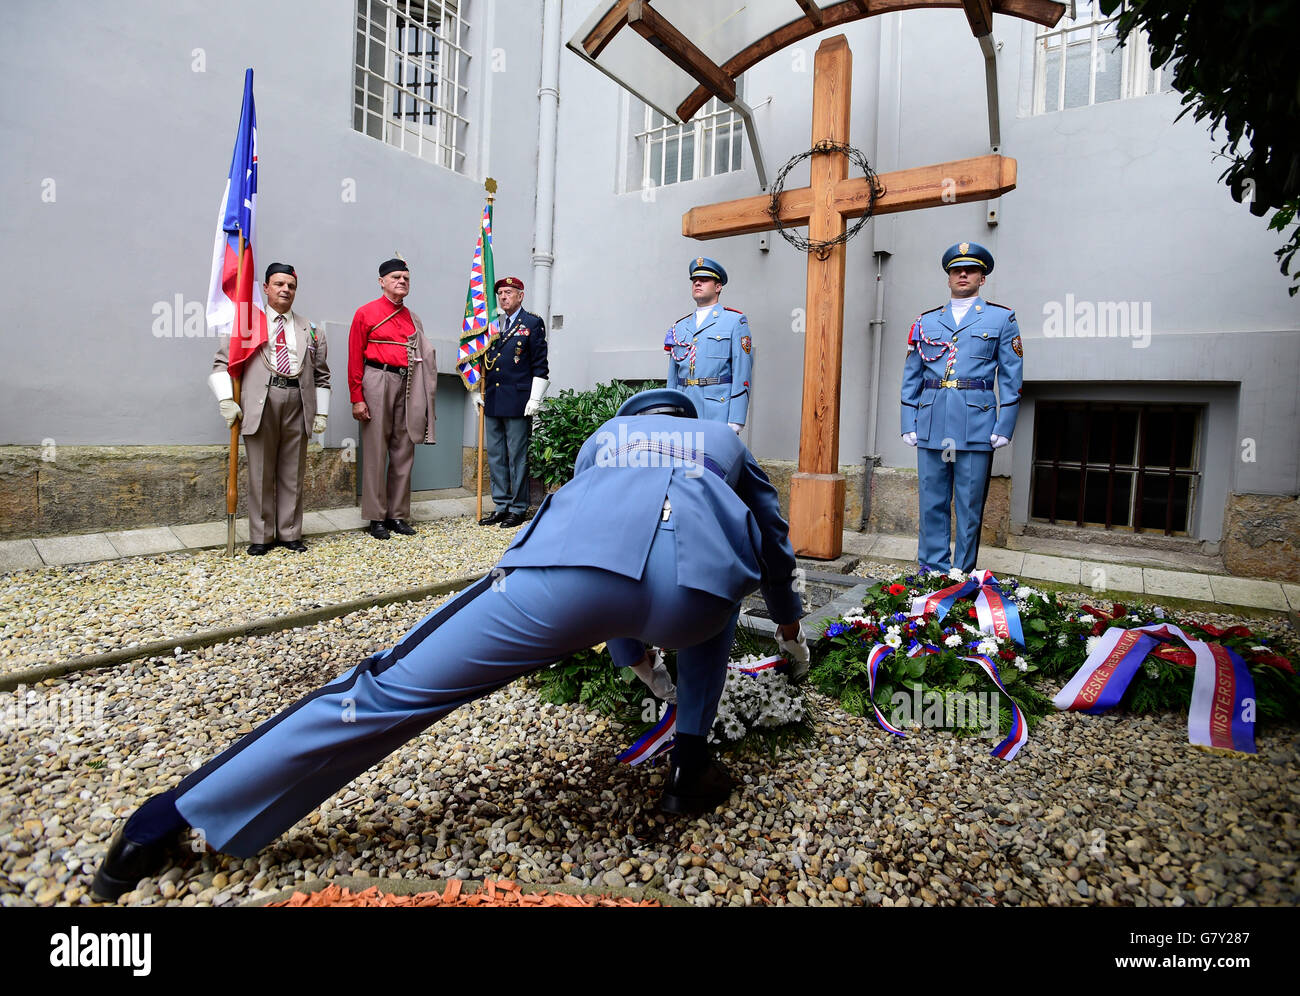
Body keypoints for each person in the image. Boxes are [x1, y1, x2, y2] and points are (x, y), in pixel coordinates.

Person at [91, 388, 809, 901]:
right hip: (695, 602)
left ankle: (161, 822)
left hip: (567, 581)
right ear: (690, 420)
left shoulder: (604, 441)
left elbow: (614, 548)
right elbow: (771, 542)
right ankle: (690, 762)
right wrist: (785, 625)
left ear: (629, 420)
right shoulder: (724, 441)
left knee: (385, 687)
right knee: (714, 589)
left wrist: (629, 653)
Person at [899, 241, 1023, 573]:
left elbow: (1011, 375)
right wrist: (907, 419)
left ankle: (961, 575)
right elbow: (913, 373)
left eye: (971, 270)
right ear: (949, 276)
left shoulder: (1001, 318)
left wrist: (1004, 424)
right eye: (957, 270)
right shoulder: (926, 322)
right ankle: (932, 572)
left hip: (976, 423)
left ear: (982, 277)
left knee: (969, 505)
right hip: (931, 420)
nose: (963, 274)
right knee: (932, 502)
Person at [210, 262, 330, 555]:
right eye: (278, 284)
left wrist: (322, 412)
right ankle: (261, 536)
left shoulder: (310, 329)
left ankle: (290, 532)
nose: (285, 290)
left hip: (298, 404)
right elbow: (222, 364)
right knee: (260, 472)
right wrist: (226, 399)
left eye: (290, 285)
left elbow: (322, 374)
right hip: (260, 402)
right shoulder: (248, 323)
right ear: (266, 288)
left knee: (292, 472)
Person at [347, 258, 438, 540]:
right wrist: (357, 397)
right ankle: (376, 517)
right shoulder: (366, 313)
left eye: (406, 278)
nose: (401, 281)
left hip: (407, 381)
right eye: (396, 277)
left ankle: (397, 514)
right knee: (375, 450)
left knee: (404, 447)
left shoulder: (413, 318)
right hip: (377, 380)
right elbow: (354, 356)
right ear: (382, 281)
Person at [474, 276, 548, 529]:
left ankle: (518, 508)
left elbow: (540, 364)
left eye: (509, 292)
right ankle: (501, 505)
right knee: (496, 455)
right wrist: (476, 390)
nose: (503, 297)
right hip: (493, 398)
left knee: (517, 456)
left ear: (520, 295)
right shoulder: (493, 325)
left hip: (518, 399)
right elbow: (482, 359)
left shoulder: (532, 323)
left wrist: (535, 398)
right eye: (501, 293)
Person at [664, 256, 752, 432]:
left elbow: (742, 372)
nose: (697, 283)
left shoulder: (734, 321)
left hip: (718, 411)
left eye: (704, 280)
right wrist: (669, 411)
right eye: (695, 280)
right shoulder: (680, 327)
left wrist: (736, 419)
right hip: (684, 410)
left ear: (718, 287)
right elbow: (673, 375)